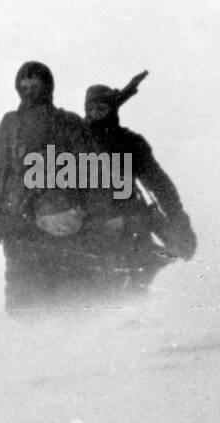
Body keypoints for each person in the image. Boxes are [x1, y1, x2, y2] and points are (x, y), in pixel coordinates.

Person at [0, 61, 114, 311]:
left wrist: (90, 216)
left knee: (73, 302)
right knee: (25, 304)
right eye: (24, 86)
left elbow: (96, 174)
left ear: (48, 87)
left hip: (69, 227)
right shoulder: (11, 124)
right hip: (21, 228)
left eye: (35, 86)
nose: (29, 92)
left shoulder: (70, 123)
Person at [83, 81, 196, 296]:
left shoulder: (129, 142)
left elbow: (160, 186)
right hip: (92, 224)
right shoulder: (76, 142)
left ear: (111, 110)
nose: (96, 114)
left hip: (131, 221)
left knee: (140, 274)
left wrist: (179, 221)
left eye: (102, 108)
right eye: (91, 109)